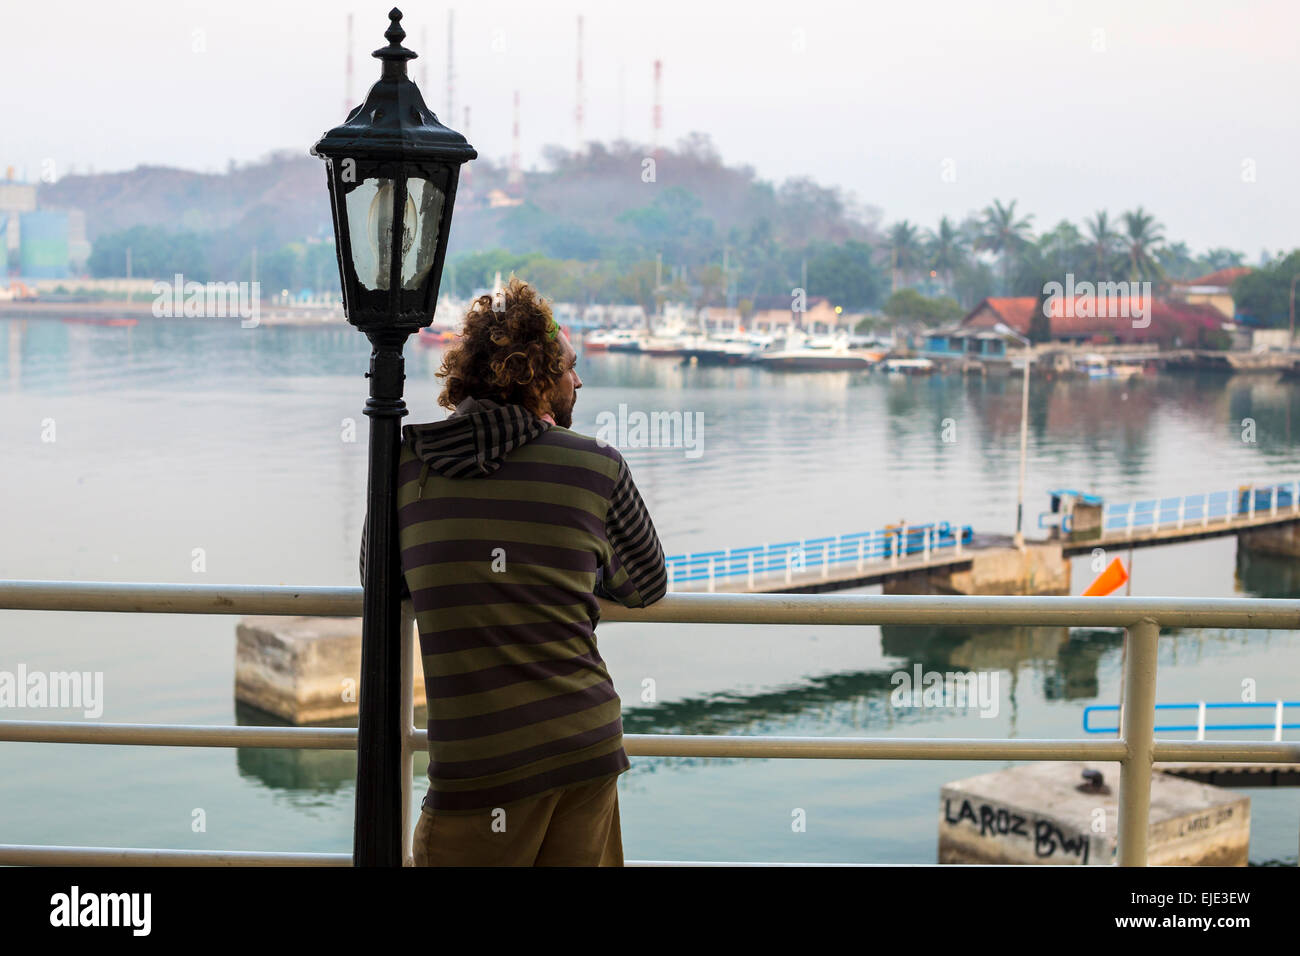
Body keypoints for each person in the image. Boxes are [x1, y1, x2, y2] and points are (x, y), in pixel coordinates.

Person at [360, 277, 667, 866]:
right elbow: (647, 583)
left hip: (478, 767)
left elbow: (384, 583)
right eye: (570, 367)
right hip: (584, 748)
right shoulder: (595, 466)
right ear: (539, 375)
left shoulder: (405, 464)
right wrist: (570, 566)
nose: (580, 380)